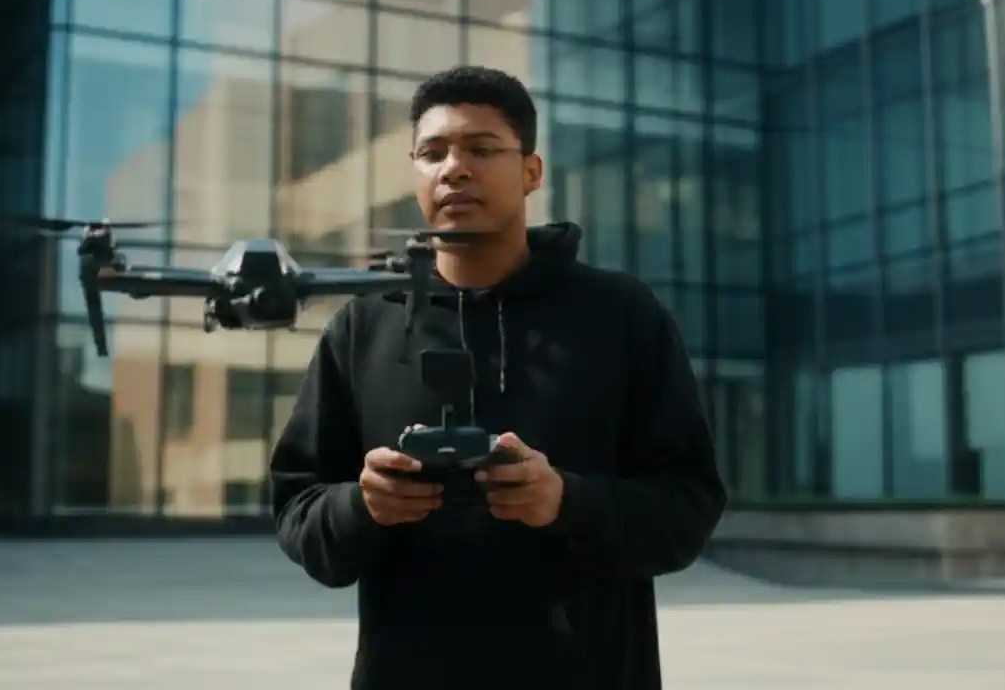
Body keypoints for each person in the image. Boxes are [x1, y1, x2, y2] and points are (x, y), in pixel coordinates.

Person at [269, 65, 727, 690]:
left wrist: (567, 501)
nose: (453, 168)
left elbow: (689, 508)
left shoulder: (622, 316)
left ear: (532, 172)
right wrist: (363, 504)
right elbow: (299, 507)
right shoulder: (363, 325)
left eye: (481, 149)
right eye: (432, 153)